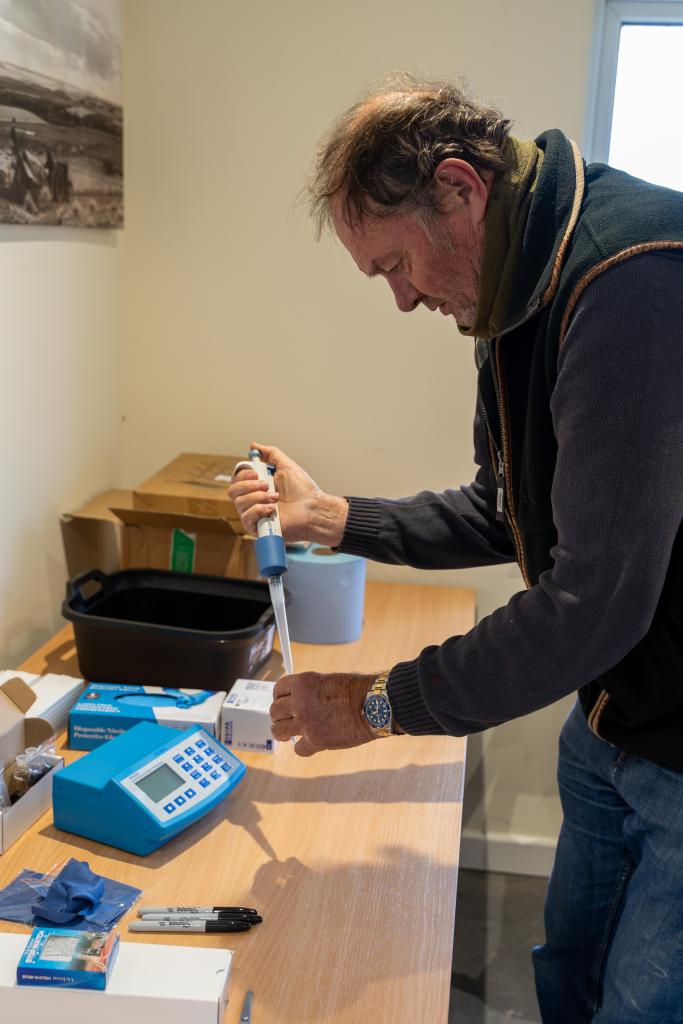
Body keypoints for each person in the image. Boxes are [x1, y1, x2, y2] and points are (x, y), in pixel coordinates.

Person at [228, 75, 683, 1023]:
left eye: (396, 264)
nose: (401, 299)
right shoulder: (513, 282)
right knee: (568, 973)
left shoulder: (631, 279)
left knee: (638, 1006)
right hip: (612, 712)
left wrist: (379, 702)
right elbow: (500, 510)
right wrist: (329, 517)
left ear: (458, 189)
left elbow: (590, 601)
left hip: (677, 737)